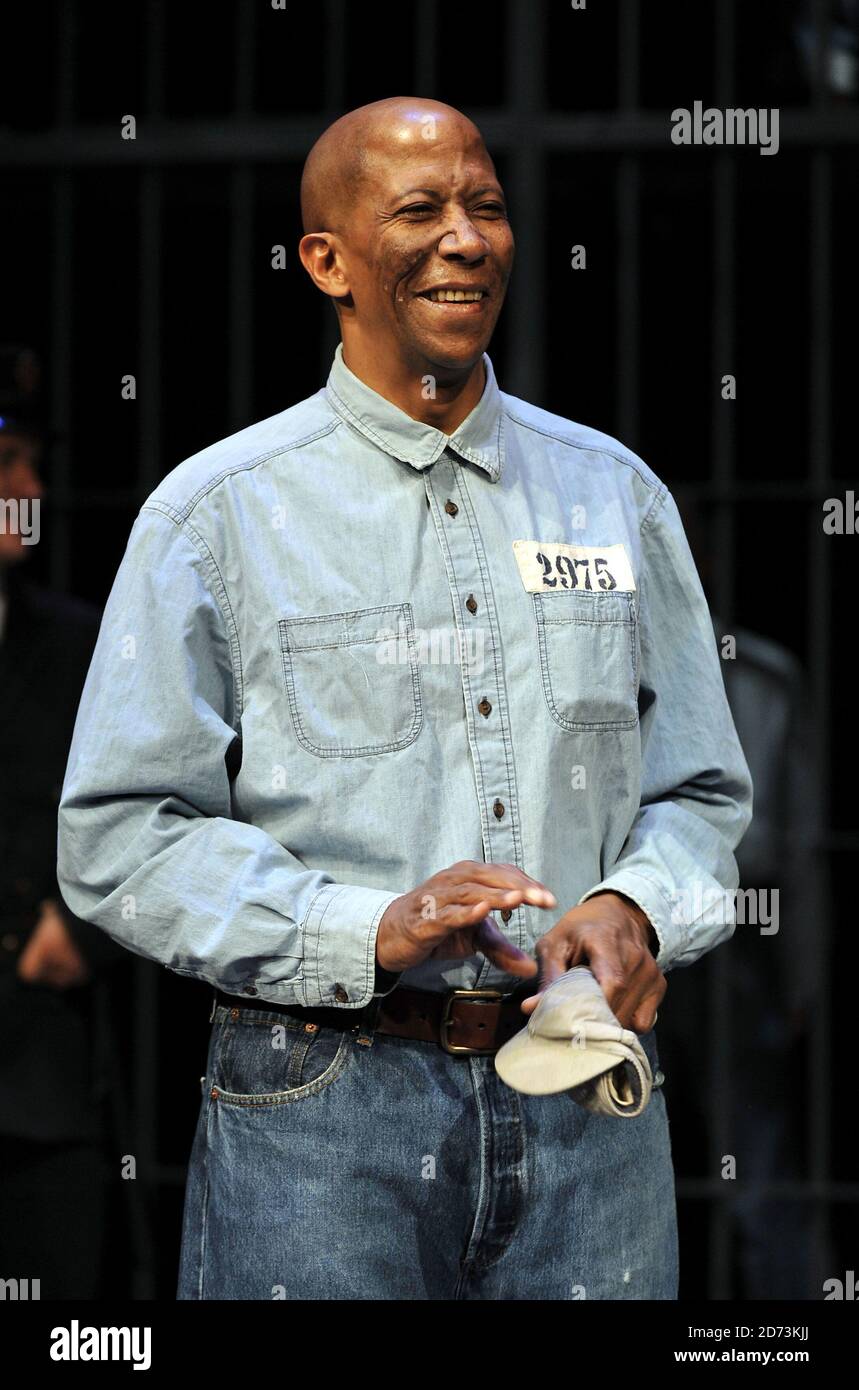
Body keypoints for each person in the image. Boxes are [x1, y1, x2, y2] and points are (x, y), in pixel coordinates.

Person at [57, 98, 752, 1301]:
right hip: (323, 1113)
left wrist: (633, 905)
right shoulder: (214, 515)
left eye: (485, 206)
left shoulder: (612, 495)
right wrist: (365, 928)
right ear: (323, 259)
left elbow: (698, 786)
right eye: (420, 210)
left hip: (586, 1092)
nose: (466, 238)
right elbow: (118, 837)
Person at [0, 347, 127, 1298]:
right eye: (8, 466)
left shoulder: (86, 642)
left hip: (41, 1071)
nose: (30, 489)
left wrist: (75, 929)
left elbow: (161, 805)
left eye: (36, 466)